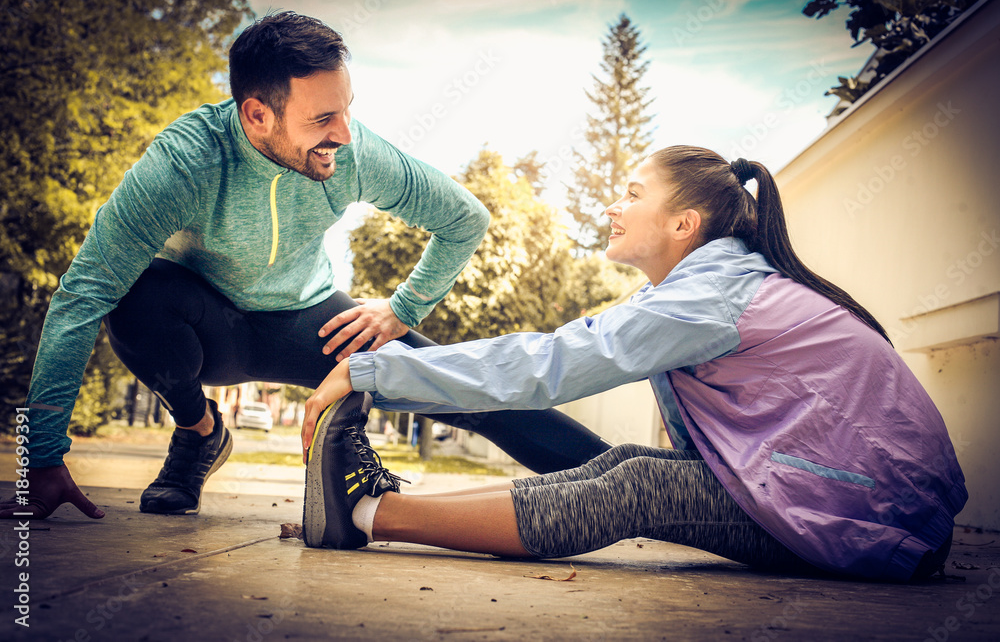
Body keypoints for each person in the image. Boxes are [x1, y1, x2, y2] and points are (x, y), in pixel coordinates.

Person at [0, 12, 610, 521]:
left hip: (311, 321)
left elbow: (464, 218)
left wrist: (404, 310)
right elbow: (82, 295)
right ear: (256, 115)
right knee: (135, 295)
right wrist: (42, 458)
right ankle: (198, 433)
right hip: (203, 321)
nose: (344, 133)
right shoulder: (182, 164)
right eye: (322, 119)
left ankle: (634, 480)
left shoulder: (352, 151)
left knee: (471, 387)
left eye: (346, 109)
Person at [300, 146, 967, 581]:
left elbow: (547, 364)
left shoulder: (708, 297)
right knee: (623, 464)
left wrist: (371, 370)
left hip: (880, 516)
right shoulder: (701, 288)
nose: (613, 205)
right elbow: (561, 350)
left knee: (636, 487)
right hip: (861, 497)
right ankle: (372, 506)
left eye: (632, 191)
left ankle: (366, 514)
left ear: (684, 224)